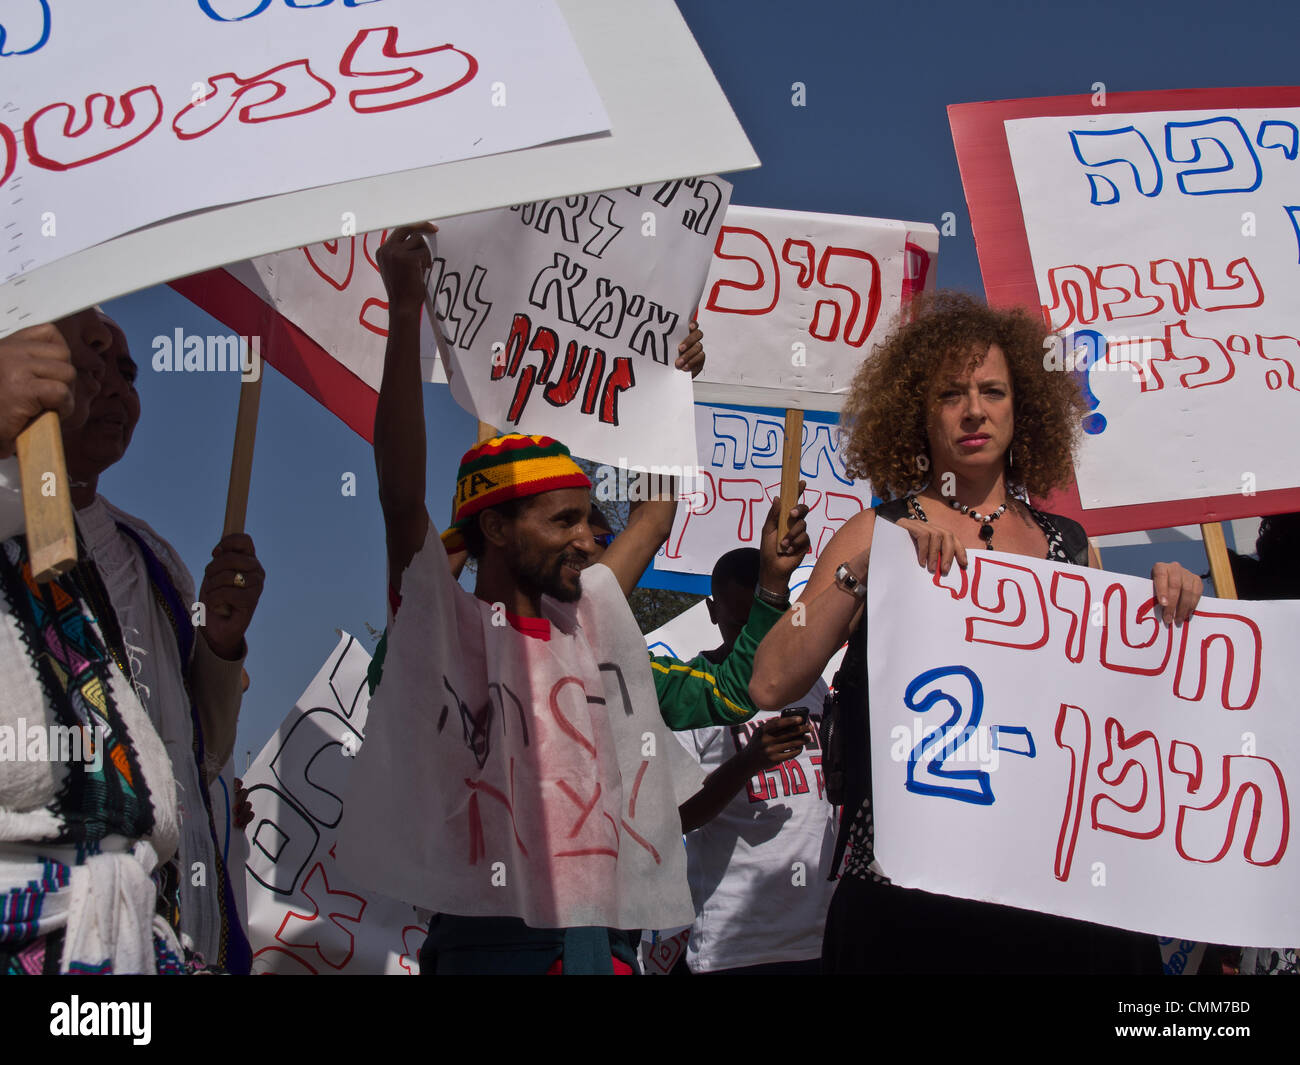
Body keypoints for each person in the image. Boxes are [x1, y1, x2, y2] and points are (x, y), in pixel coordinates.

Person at [338, 223, 808, 974]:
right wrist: (404, 314)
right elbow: (399, 496)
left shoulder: (596, 636)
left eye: (590, 519)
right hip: (488, 949)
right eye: (564, 520)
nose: (591, 539)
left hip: (606, 949)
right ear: (494, 525)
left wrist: (669, 384)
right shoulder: (438, 629)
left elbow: (656, 525)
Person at [749, 291, 1205, 974]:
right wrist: (862, 574)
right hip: (909, 891)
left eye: (993, 390)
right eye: (950, 394)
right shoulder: (877, 529)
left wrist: (1170, 605)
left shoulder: (1071, 547)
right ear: (917, 414)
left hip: (1050, 890)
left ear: (1023, 410)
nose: (973, 410)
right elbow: (771, 679)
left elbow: (1119, 707)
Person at [60, 311, 261, 973]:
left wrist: (221, 644)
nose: (116, 387)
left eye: (128, 371)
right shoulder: (14, 527)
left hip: (173, 931)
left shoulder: (151, 560)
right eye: (93, 361)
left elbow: (201, 753)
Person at [0, 314, 184, 974]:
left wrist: (221, 652)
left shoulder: (84, 548)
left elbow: (188, 749)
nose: (101, 336)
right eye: (80, 311)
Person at [671, 547, 837, 975]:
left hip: (829, 934)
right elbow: (675, 819)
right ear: (712, 611)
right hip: (742, 945)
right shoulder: (693, 696)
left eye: (766, 621)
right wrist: (747, 763)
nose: (754, 639)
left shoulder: (811, 683)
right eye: (740, 623)